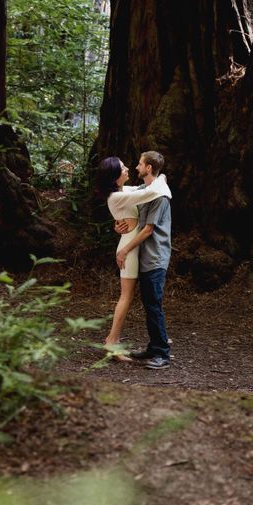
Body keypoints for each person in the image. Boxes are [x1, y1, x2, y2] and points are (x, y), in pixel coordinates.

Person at [94, 156, 171, 356]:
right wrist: (162, 177)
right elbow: (150, 192)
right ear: (114, 176)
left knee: (129, 297)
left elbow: (142, 189)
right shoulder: (116, 197)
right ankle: (112, 341)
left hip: (133, 248)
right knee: (126, 297)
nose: (128, 168)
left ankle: (115, 340)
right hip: (128, 250)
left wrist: (159, 177)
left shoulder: (124, 191)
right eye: (122, 168)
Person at [114, 151, 172, 370]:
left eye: (140, 164)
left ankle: (162, 354)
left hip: (155, 257)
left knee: (154, 305)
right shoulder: (143, 191)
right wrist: (119, 225)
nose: (136, 167)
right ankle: (153, 347)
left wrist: (124, 250)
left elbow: (148, 229)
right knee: (149, 304)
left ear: (148, 168)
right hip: (143, 256)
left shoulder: (159, 196)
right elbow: (125, 202)